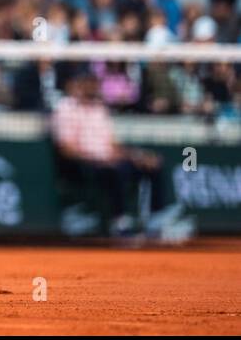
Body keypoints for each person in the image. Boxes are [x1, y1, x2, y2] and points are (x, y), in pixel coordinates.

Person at [51, 72, 192, 241]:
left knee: (152, 164)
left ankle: (156, 218)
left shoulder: (99, 108)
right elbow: (67, 149)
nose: (92, 86)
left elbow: (112, 145)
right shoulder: (65, 108)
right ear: (78, 84)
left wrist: (137, 156)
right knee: (116, 170)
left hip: (108, 159)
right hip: (82, 163)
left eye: (94, 82)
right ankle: (120, 222)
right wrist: (100, 159)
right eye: (88, 82)